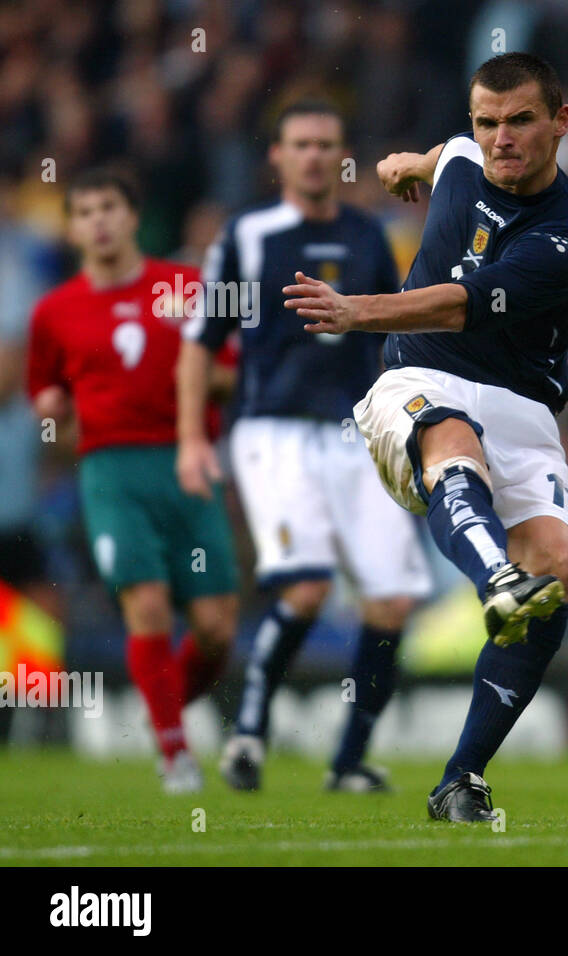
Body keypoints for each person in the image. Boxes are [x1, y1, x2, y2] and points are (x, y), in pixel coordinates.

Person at [279, 53, 568, 821]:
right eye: (487, 123)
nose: (501, 140)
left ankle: (461, 779)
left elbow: (461, 304)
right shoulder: (464, 156)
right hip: (417, 383)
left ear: (561, 121)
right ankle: (495, 577)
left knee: (560, 562)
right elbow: (441, 157)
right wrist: (403, 166)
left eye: (521, 120)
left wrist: (357, 310)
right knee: (449, 433)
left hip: (521, 407)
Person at [176, 101, 433, 793]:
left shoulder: (367, 235)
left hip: (356, 435)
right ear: (279, 156)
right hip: (273, 430)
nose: (315, 155)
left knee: (391, 604)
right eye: (301, 144)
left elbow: (390, 329)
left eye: (326, 143)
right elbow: (199, 342)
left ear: (341, 154)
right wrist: (191, 438)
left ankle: (348, 762)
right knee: (310, 587)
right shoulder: (249, 235)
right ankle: (249, 732)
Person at [26, 168, 239, 793]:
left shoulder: (186, 287)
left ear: (131, 216)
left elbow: (230, 372)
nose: (98, 221)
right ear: (72, 226)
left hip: (187, 458)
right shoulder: (55, 310)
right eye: (85, 211)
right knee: (144, 604)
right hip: (110, 467)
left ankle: (163, 704)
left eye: (109, 207)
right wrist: (47, 405)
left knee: (216, 626)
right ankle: (175, 750)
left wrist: (189, 380)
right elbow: (44, 384)